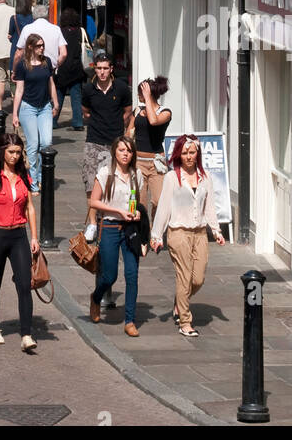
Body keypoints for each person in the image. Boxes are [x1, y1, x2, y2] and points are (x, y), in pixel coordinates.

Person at [151, 134, 225, 337]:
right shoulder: (171, 177)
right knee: (184, 277)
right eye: (184, 153)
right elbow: (164, 207)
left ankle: (179, 302)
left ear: (198, 153)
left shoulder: (205, 177)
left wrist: (216, 231)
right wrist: (156, 235)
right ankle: (185, 321)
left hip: (200, 233)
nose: (188, 157)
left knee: (198, 278)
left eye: (192, 152)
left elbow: (209, 207)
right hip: (178, 232)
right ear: (178, 154)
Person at [0, 133, 40, 352]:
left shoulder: (24, 177)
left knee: (24, 284)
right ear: (2, 152)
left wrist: (34, 236)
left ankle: (26, 334)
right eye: (11, 152)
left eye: (18, 152)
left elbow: (30, 207)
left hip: (18, 235)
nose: (14, 156)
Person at [88, 136, 144, 336]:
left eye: (129, 151)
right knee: (109, 275)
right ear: (115, 152)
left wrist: (137, 212)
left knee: (132, 275)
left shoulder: (137, 174)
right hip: (111, 226)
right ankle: (96, 298)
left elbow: (139, 203)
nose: (125, 154)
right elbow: (93, 202)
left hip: (130, 229)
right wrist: (117, 211)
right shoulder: (105, 173)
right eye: (121, 150)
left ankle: (130, 320)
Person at [81, 49, 133, 240]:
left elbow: (127, 110)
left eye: (105, 68)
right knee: (90, 183)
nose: (102, 72)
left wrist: (119, 125)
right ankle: (93, 224)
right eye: (99, 68)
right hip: (94, 141)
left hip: (114, 142)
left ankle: (110, 218)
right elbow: (85, 111)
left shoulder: (120, 88)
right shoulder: (88, 89)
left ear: (111, 69)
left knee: (113, 182)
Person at [12, 32, 57, 194]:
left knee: (46, 143)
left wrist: (56, 102)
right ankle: (33, 181)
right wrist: (15, 114)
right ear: (30, 47)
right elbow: (19, 90)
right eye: (39, 45)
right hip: (27, 107)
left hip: (44, 106)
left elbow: (51, 83)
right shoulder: (22, 65)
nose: (42, 48)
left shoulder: (47, 62)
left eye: (43, 45)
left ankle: (41, 176)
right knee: (33, 145)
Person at [133, 76, 172, 216]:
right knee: (139, 201)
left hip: (156, 163)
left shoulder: (165, 112)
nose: (139, 96)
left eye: (141, 93)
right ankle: (143, 233)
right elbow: (128, 134)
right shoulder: (137, 111)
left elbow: (153, 121)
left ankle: (156, 231)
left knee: (158, 200)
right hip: (138, 162)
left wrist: (148, 98)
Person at [53, 8, 87, 131]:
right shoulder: (80, 31)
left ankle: (53, 120)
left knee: (58, 95)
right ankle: (78, 122)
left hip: (62, 67)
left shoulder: (59, 32)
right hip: (77, 68)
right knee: (76, 96)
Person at [7, 0, 35, 73]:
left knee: (16, 80)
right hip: (31, 52)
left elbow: (10, 36)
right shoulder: (34, 19)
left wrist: (11, 38)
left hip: (17, 51)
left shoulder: (14, 18)